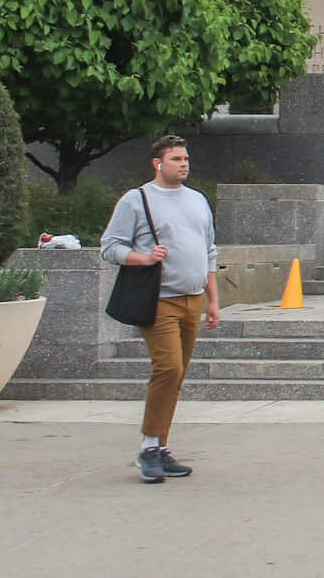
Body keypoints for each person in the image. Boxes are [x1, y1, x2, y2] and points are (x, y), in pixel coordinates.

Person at [99, 135, 220, 484]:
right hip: (159, 299)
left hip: (193, 298)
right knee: (168, 367)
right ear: (158, 163)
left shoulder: (197, 200)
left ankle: (160, 446)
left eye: (186, 158)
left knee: (177, 374)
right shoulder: (136, 201)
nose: (184, 164)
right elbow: (109, 247)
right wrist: (143, 257)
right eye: (176, 159)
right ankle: (149, 448)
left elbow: (209, 250)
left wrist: (212, 299)